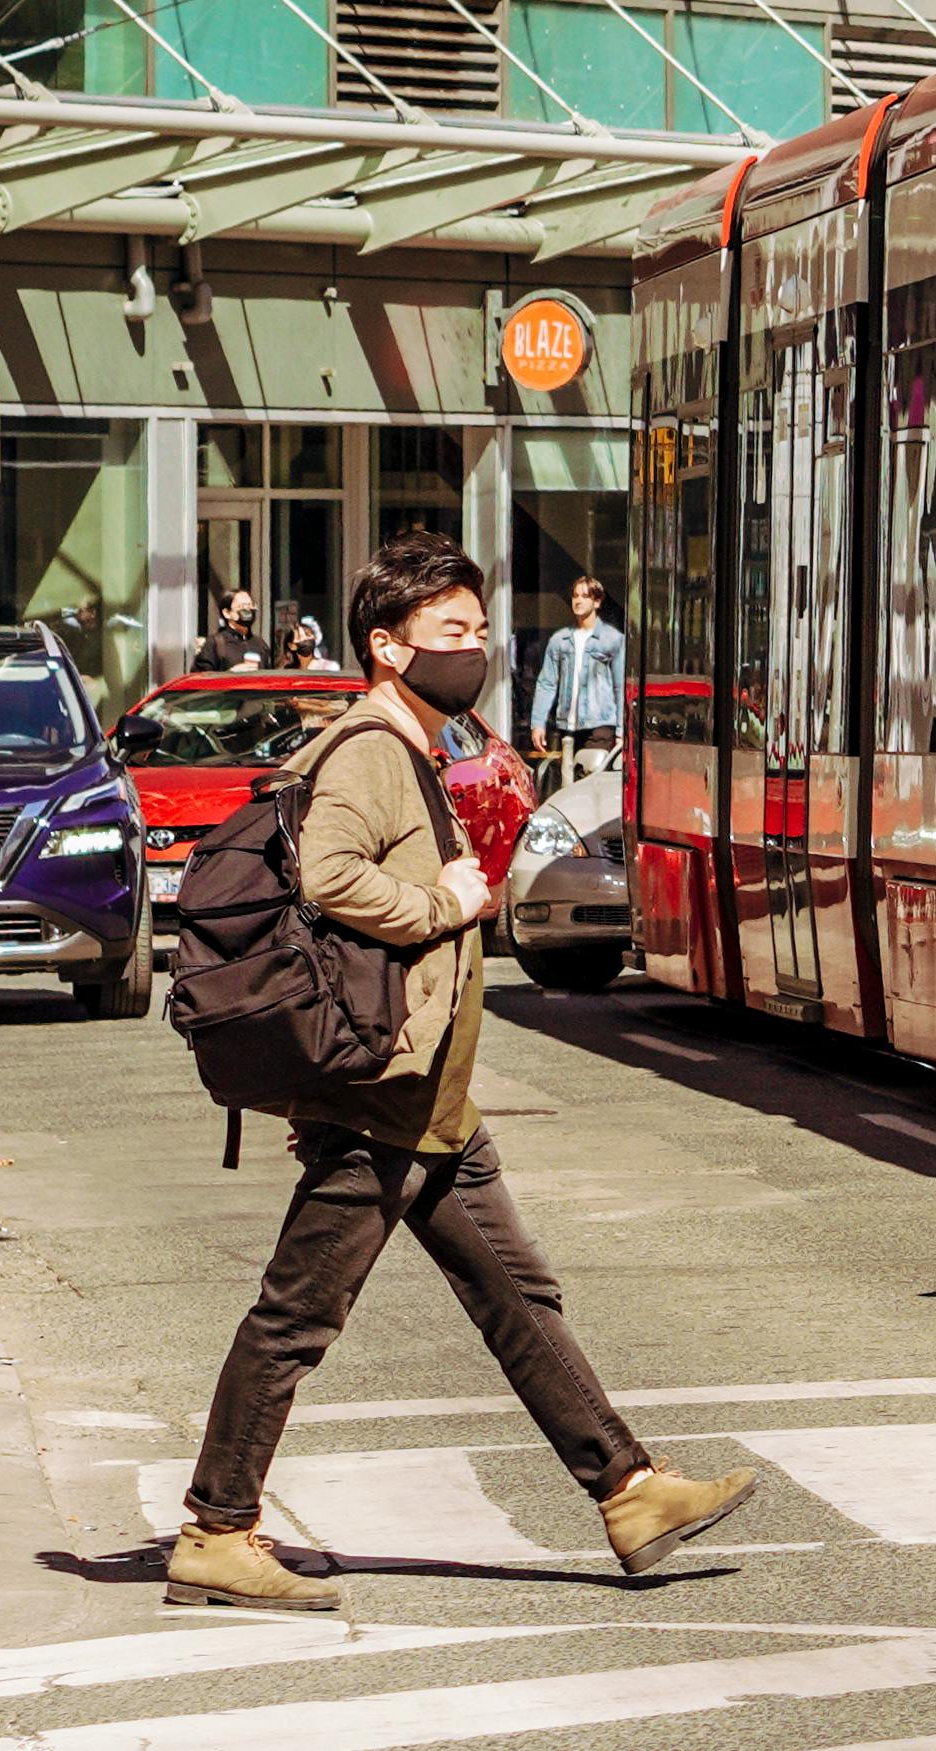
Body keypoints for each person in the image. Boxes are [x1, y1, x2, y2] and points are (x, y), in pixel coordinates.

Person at [170, 530, 755, 1609]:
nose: (474, 648)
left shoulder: (418, 743)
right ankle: (216, 1524)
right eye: (450, 632)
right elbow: (331, 875)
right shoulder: (368, 751)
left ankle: (628, 1486)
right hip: (386, 1090)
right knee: (297, 1312)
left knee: (514, 1292)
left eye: (480, 629)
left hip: (424, 1088)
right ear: (387, 648)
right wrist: (446, 903)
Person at [530, 576, 623, 787]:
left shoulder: (612, 639)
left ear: (597, 602)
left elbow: (620, 687)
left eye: (584, 596)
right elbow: (547, 682)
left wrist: (620, 730)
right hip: (568, 726)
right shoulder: (560, 640)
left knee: (591, 783)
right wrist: (538, 723)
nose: (578, 601)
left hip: (600, 725)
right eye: (575, 596)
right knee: (568, 784)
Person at [193, 589, 267, 674]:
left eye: (250, 606)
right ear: (227, 613)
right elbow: (201, 678)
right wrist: (231, 673)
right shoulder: (215, 643)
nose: (248, 610)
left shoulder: (260, 644)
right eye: (241, 606)